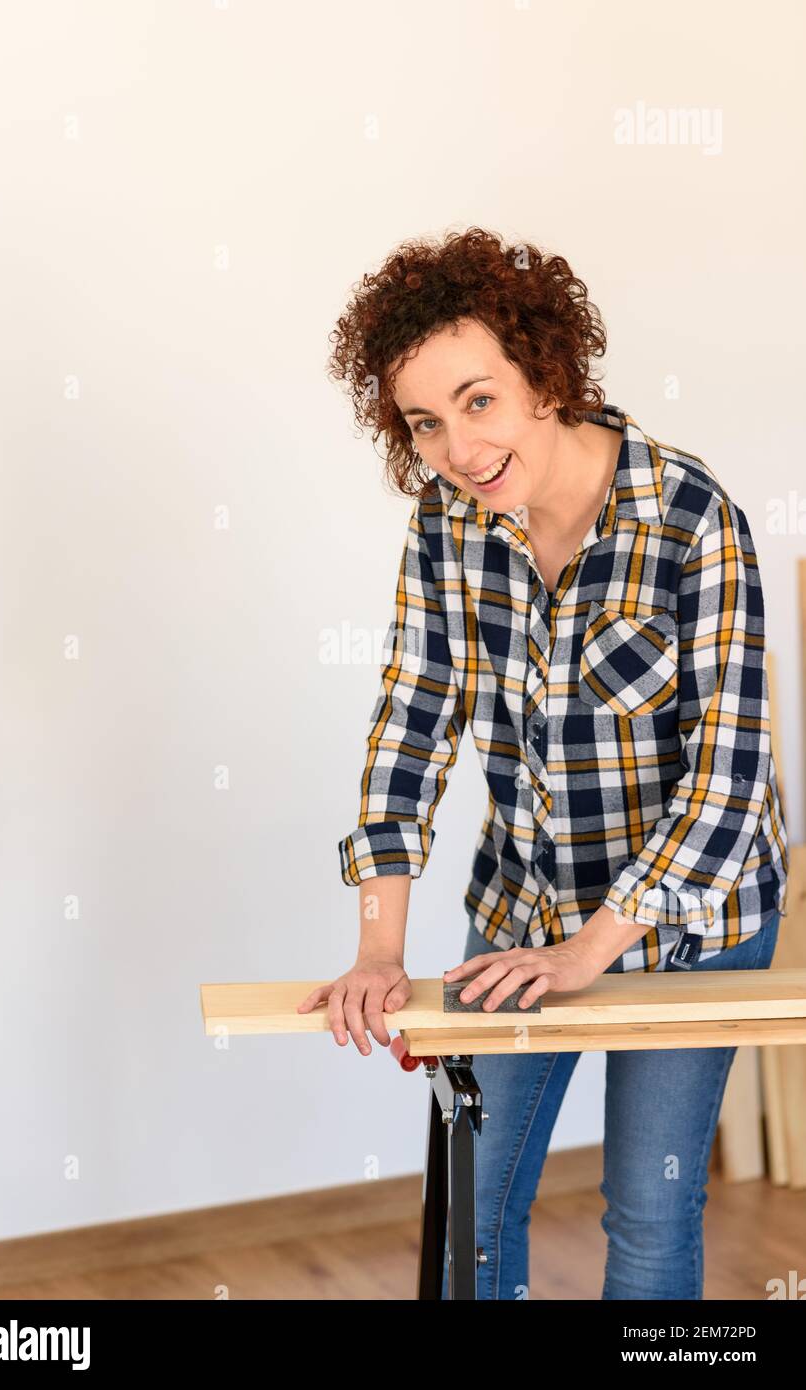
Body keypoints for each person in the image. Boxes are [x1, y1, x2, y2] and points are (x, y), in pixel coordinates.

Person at [297, 228, 789, 1299]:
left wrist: (590, 954)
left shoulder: (692, 520)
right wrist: (380, 947)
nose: (460, 449)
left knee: (650, 1214)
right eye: (426, 421)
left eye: (479, 401)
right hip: (526, 898)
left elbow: (728, 785)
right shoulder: (448, 524)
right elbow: (413, 720)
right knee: (472, 1206)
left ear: (547, 374)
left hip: (689, 924)